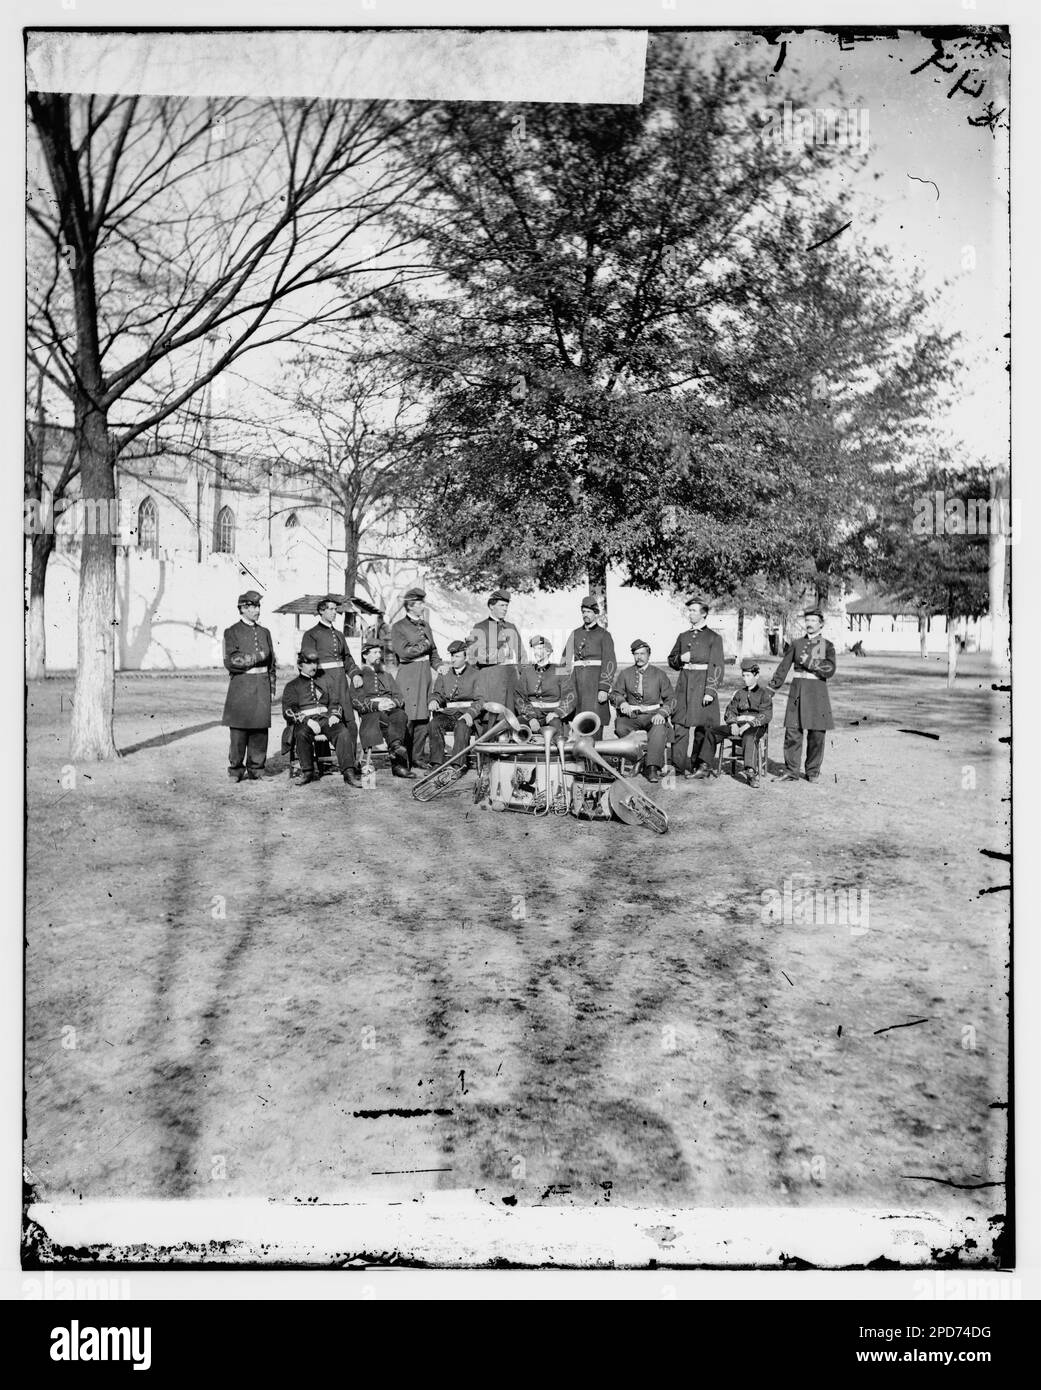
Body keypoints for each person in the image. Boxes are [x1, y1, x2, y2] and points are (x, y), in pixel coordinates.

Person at [768, 607, 837, 783]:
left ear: (821, 624)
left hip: (817, 693)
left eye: (814, 621)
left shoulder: (826, 645)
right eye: (807, 620)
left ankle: (812, 772)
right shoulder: (796, 644)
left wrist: (809, 661)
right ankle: (791, 771)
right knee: (793, 732)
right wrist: (772, 688)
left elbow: (829, 669)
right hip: (797, 691)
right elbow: (784, 666)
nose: (810, 624)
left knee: (817, 735)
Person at [281, 651, 361, 787]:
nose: (314, 666)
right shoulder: (292, 685)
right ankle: (307, 772)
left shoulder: (325, 681)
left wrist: (334, 715)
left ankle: (349, 773)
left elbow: (334, 702)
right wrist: (307, 721)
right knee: (301, 733)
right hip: (305, 720)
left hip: (326, 718)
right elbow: (289, 710)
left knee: (342, 732)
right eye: (309, 663)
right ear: (300, 665)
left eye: (315, 663)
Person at [221, 590, 276, 782]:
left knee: (260, 731)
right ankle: (235, 770)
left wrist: (271, 687)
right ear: (243, 609)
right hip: (241, 686)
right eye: (252, 606)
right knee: (239, 732)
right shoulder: (232, 632)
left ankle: (257, 770)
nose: (257, 610)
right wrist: (257, 657)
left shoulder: (264, 632)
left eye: (258, 606)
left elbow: (272, 664)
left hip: (261, 686)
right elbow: (232, 661)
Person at [667, 597, 726, 777]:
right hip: (684, 685)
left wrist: (710, 691)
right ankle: (677, 766)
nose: (690, 613)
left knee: (704, 727)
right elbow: (671, 660)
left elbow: (717, 665)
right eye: (689, 610)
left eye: (694, 610)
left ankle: (700, 766)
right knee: (680, 725)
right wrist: (680, 659)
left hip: (703, 686)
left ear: (704, 613)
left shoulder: (714, 638)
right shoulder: (683, 636)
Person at [695, 658, 774, 787]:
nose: (745, 678)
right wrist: (733, 723)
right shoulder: (739, 693)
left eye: (748, 675)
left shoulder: (764, 694)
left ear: (756, 676)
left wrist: (749, 725)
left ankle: (751, 772)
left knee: (749, 736)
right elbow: (730, 711)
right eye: (743, 675)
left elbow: (766, 715)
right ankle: (704, 767)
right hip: (737, 725)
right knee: (711, 731)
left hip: (756, 727)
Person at [389, 587, 443, 769]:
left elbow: (433, 651)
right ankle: (403, 759)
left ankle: (417, 757)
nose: (423, 606)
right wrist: (425, 645)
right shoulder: (398, 627)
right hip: (409, 675)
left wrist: (439, 665)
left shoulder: (426, 625)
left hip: (425, 675)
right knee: (409, 718)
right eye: (420, 603)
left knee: (423, 718)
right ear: (410, 606)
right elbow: (404, 653)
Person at [608, 639, 676, 784]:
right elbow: (614, 694)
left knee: (658, 729)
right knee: (620, 727)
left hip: (653, 715)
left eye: (642, 654)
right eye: (636, 654)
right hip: (631, 715)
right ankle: (639, 759)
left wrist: (662, 713)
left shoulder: (659, 674)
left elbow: (671, 698)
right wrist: (622, 702)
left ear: (648, 655)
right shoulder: (625, 673)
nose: (639, 657)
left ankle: (651, 768)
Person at [352, 640, 414, 778]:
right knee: (389, 720)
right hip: (371, 715)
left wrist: (392, 702)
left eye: (380, 652)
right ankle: (397, 761)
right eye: (374, 652)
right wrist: (377, 705)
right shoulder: (358, 676)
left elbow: (399, 696)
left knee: (400, 715)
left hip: (389, 711)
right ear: (364, 655)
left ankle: (395, 748)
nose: (379, 655)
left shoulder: (387, 675)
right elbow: (356, 702)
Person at [562, 596, 616, 739]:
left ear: (596, 613)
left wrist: (604, 688)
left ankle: (594, 759)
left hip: (594, 684)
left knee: (594, 723)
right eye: (583, 611)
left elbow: (610, 662)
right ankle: (578, 759)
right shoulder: (575, 633)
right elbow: (564, 660)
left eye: (589, 612)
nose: (586, 615)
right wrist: (562, 684)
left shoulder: (604, 635)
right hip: (577, 684)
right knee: (576, 722)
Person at [427, 639, 484, 768]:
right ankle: (436, 763)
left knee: (462, 725)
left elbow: (481, 699)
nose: (453, 659)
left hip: (467, 715)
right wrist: (434, 700)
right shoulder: (445, 674)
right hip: (449, 714)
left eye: (457, 656)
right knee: (434, 724)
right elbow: (437, 693)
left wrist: (471, 714)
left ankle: (457, 765)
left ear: (466, 656)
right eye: (452, 656)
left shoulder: (476, 675)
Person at [468, 588, 522, 710]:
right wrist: (502, 653)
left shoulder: (511, 627)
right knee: (493, 718)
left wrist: (523, 677)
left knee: (512, 717)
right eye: (502, 605)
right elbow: (479, 656)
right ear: (491, 606)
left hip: (511, 680)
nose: (505, 609)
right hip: (491, 681)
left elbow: (520, 654)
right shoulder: (480, 627)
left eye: (506, 606)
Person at [514, 634, 576, 733]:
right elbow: (519, 697)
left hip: (553, 716)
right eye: (534, 649)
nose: (535, 652)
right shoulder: (527, 672)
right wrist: (531, 718)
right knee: (516, 728)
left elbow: (570, 696)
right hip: (531, 715)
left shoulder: (560, 670)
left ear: (548, 651)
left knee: (556, 732)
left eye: (539, 649)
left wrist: (556, 713)